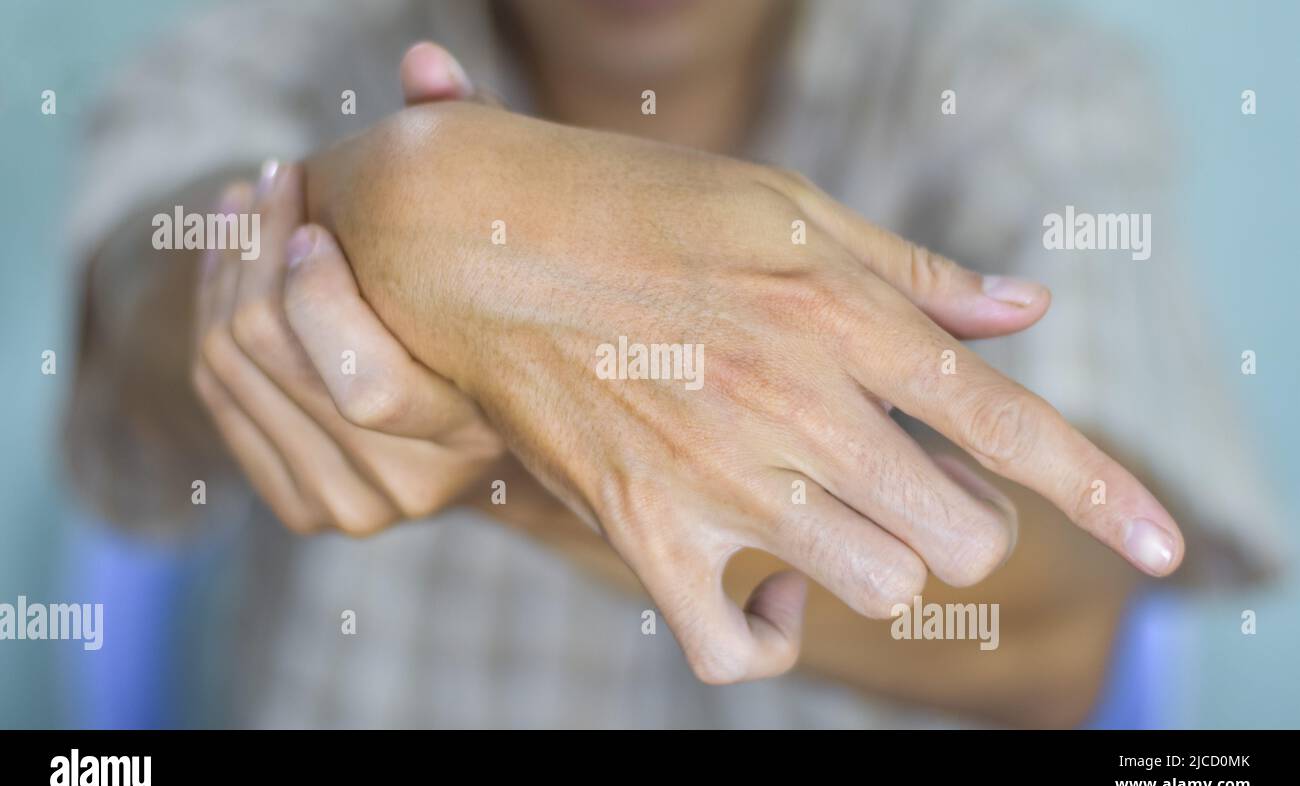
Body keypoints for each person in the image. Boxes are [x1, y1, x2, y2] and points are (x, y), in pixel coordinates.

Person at [66, 0, 1279, 727]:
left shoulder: (1015, 81)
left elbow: (1058, 638)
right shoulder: (295, 38)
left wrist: (520, 445)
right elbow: (132, 322)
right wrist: (381, 204)